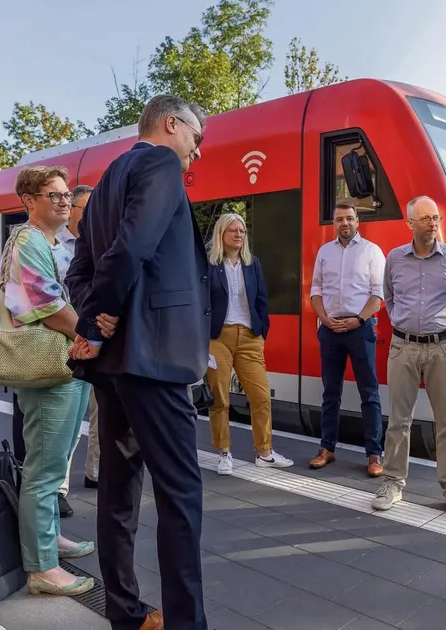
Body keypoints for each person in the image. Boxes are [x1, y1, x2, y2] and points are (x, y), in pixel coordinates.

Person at [65, 94, 210, 630]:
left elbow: (80, 269)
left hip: (115, 365)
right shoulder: (160, 162)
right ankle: (186, 623)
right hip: (155, 359)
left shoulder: (104, 183)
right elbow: (131, 250)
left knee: (119, 491)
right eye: (196, 138)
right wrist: (99, 314)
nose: (196, 152)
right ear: (172, 125)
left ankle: (125, 613)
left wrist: (94, 319)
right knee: (180, 494)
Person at [3, 165, 95, 597]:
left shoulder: (54, 242)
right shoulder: (28, 241)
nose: (62, 201)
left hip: (67, 364)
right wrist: (87, 337)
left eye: (64, 195)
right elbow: (48, 306)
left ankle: (50, 540)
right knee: (43, 468)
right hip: (49, 367)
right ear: (29, 202)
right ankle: (41, 568)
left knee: (55, 463)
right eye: (53, 195)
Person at [373, 196, 446, 519]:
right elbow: (389, 298)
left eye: (435, 217)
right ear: (410, 224)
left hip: (443, 347)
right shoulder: (395, 259)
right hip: (404, 347)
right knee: (399, 421)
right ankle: (392, 482)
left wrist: (437, 326)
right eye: (425, 218)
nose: (432, 223)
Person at [205, 212, 294, 475]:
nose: (238, 235)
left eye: (242, 231)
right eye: (232, 230)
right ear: (221, 234)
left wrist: (262, 330)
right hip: (217, 337)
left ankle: (264, 452)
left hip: (250, 336)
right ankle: (224, 453)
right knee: (220, 398)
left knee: (261, 396)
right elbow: (202, 303)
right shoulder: (209, 265)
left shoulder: (251, 263)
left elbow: (262, 299)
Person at [308, 201, 386, 476]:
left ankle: (374, 454)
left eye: (349, 218)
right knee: (330, 392)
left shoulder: (371, 252)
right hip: (330, 329)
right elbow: (315, 289)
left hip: (360, 329)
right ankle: (327, 448)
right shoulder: (324, 252)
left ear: (357, 222)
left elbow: (378, 293)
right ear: (334, 223)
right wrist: (324, 318)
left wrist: (360, 319)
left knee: (369, 392)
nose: (345, 223)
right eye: (339, 218)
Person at [60, 184, 100, 495]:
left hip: (96, 342)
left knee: (101, 414)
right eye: (85, 209)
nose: (91, 215)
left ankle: (96, 473)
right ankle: (59, 487)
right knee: (68, 421)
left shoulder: (98, 244)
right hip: (66, 342)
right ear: (71, 211)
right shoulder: (55, 246)